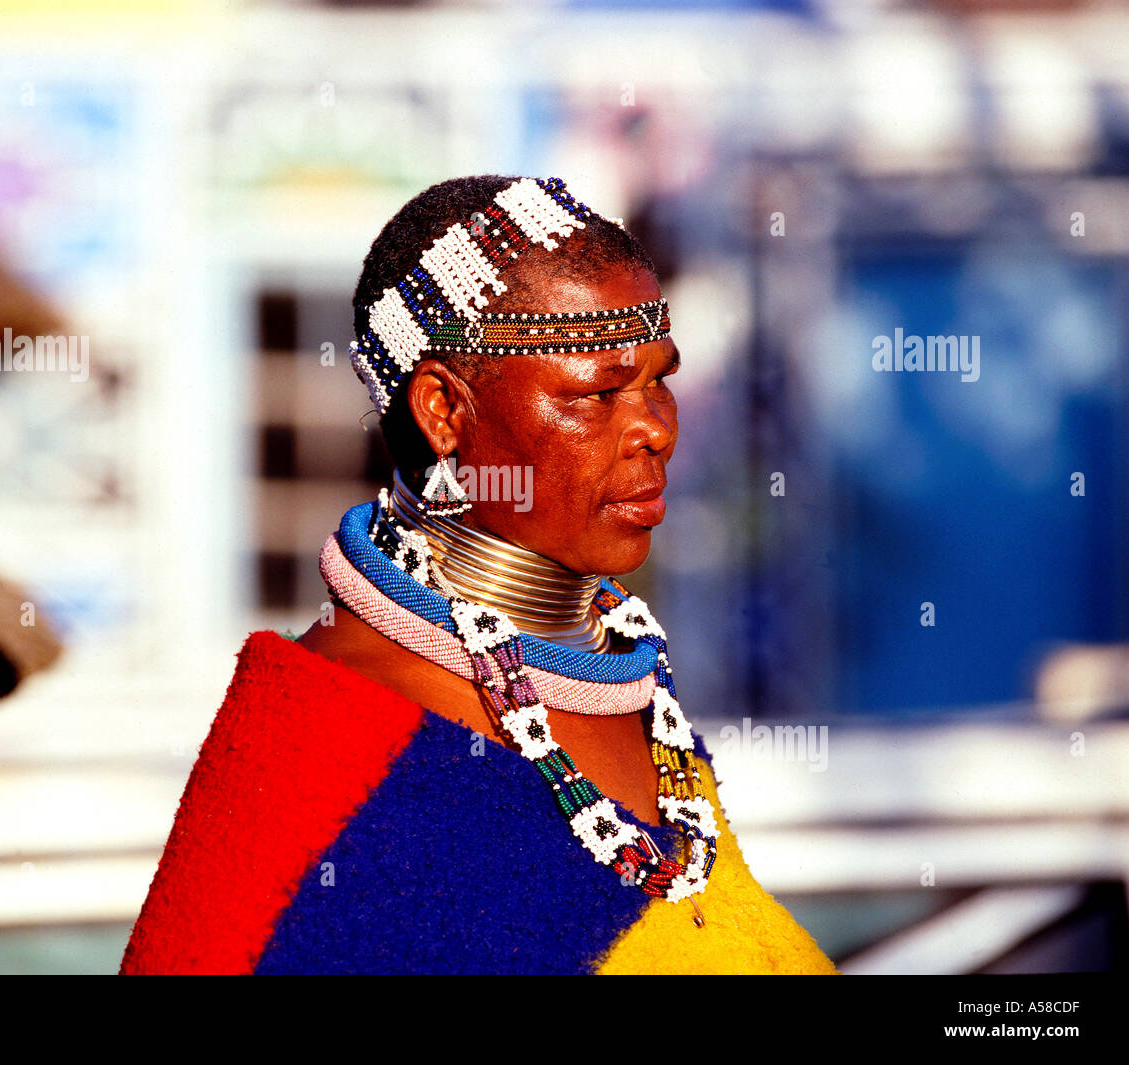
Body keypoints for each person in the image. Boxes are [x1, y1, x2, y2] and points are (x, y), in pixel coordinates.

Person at [121, 174, 839, 975]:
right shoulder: (325, 752)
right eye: (597, 392)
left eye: (659, 379)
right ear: (444, 412)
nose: (655, 429)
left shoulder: (630, 683)